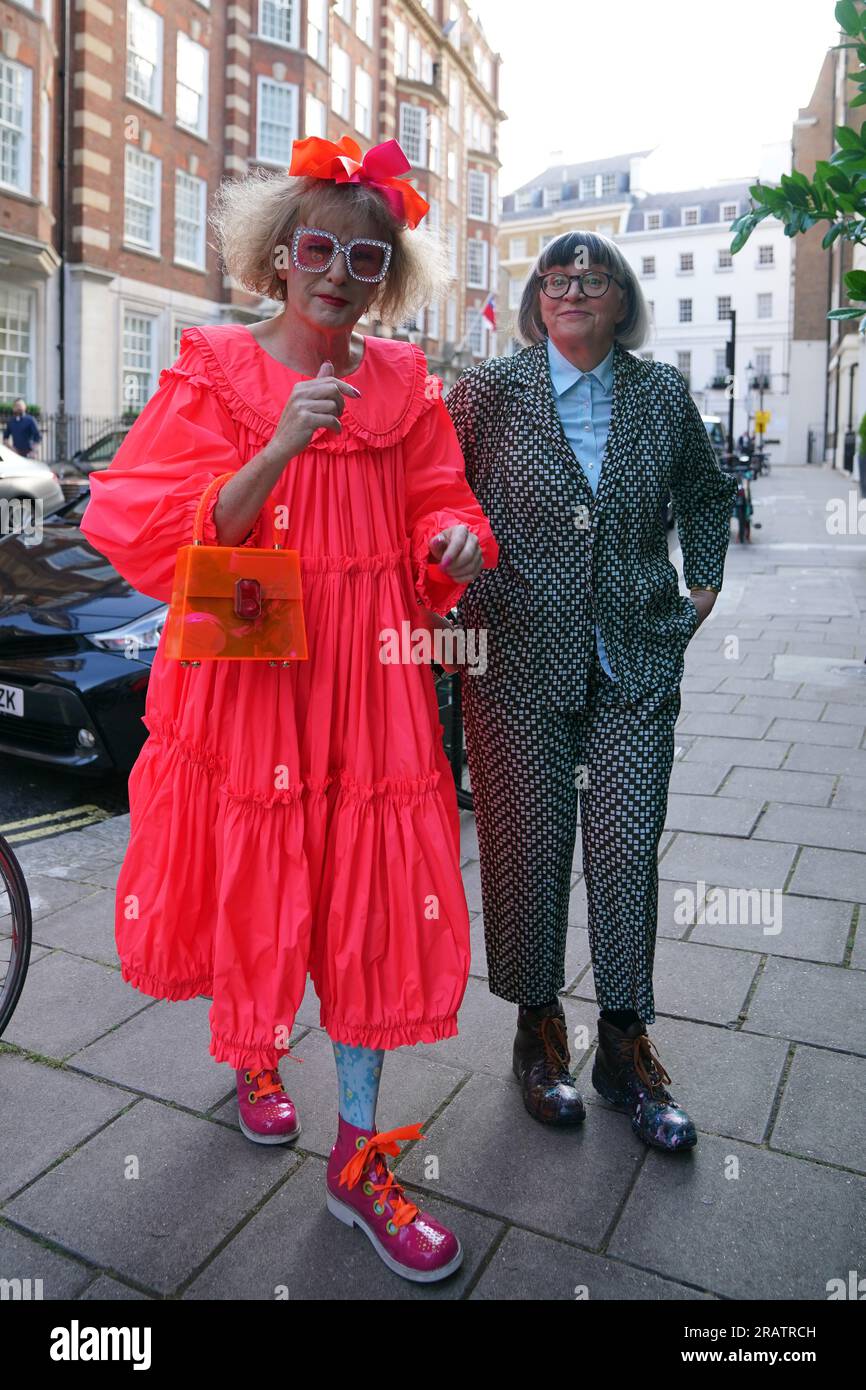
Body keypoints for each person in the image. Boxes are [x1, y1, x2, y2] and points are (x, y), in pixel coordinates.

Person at [79, 134, 498, 1282]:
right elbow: (150, 526)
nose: (336, 272)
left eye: (364, 258)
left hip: (368, 676)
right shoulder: (215, 363)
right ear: (275, 259)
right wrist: (278, 444)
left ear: (383, 278)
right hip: (256, 661)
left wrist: (451, 539)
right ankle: (255, 1052)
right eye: (315, 248)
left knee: (364, 892)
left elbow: (436, 504)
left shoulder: (406, 383)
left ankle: (359, 1158)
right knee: (256, 875)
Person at [445, 230, 738, 1153]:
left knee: (623, 847)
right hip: (513, 659)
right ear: (537, 298)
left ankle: (624, 1045)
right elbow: (427, 490)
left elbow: (703, 488)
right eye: (556, 278)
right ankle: (538, 1036)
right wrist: (442, 578)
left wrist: (703, 584)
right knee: (525, 850)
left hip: (633, 666)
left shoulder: (658, 396)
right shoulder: (491, 392)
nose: (572, 289)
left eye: (593, 278)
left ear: (621, 299)